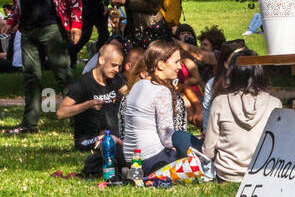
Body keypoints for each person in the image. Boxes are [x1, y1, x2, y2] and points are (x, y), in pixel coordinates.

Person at [5, 0, 82, 135]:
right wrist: (12, 20)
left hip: (51, 28)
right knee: (31, 77)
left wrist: (76, 24)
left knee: (63, 75)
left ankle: (79, 122)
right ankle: (29, 124)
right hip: (27, 30)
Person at [202, 50, 282, 182]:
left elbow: (208, 151)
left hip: (226, 173)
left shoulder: (220, 102)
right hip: (262, 172)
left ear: (233, 73)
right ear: (261, 73)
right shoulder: (275, 103)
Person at [121, 38, 192, 176]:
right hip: (152, 158)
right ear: (160, 65)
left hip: (130, 158)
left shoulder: (138, 85)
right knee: (185, 139)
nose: (180, 67)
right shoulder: (161, 91)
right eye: (176, 62)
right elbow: (167, 138)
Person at [56, 39, 126, 154]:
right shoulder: (84, 83)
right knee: (111, 143)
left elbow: (131, 96)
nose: (117, 70)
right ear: (101, 59)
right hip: (87, 139)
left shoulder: (116, 79)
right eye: (114, 65)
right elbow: (61, 113)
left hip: (111, 134)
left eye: (119, 66)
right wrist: (87, 104)